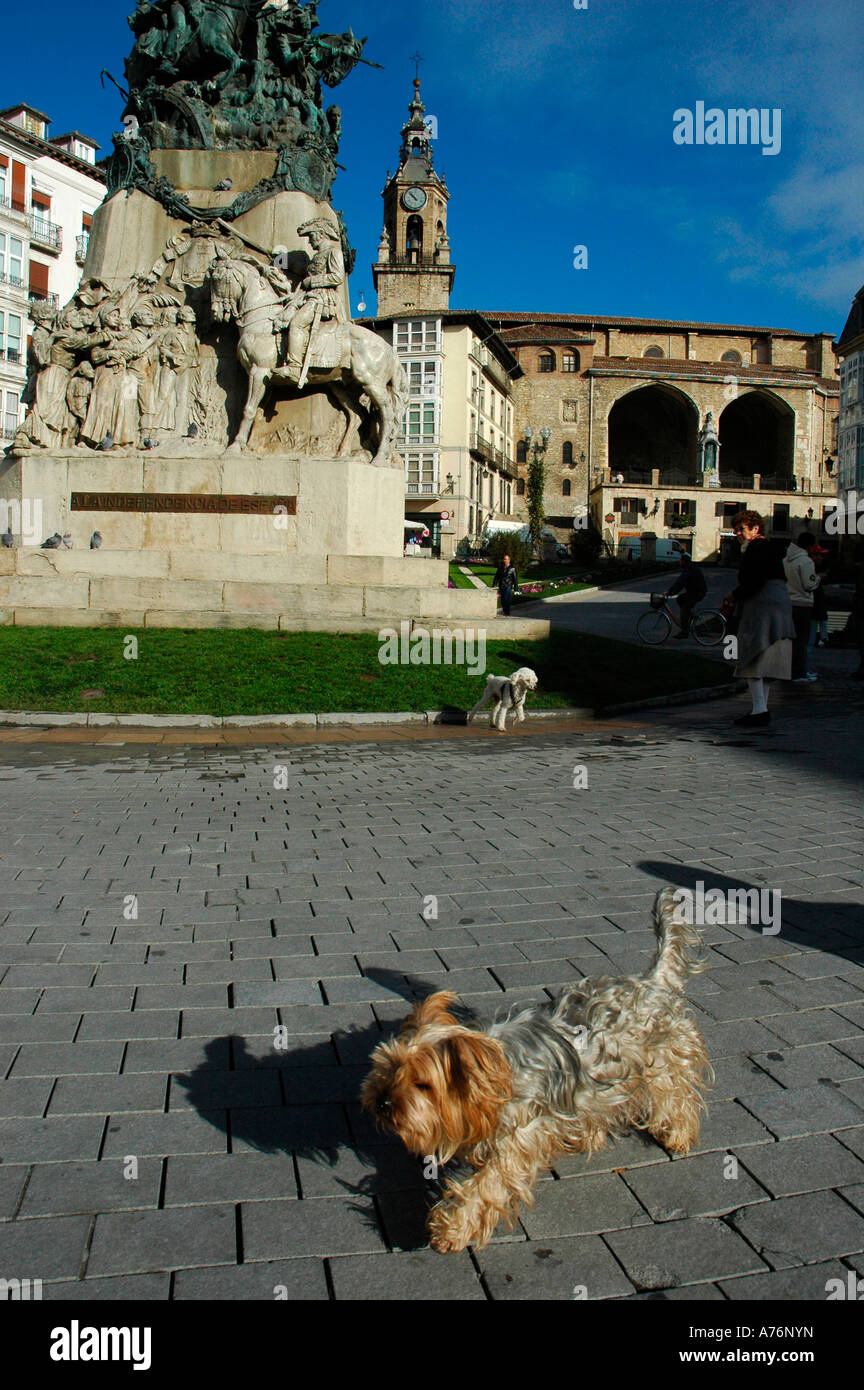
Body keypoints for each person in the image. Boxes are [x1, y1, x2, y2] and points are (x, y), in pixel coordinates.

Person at [723, 510, 794, 728]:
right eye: (736, 530)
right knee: (767, 660)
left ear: (755, 529)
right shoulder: (770, 548)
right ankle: (760, 708)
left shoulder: (755, 548)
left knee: (752, 655)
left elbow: (753, 580)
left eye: (741, 529)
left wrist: (733, 595)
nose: (738, 534)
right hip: (779, 605)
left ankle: (759, 710)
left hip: (762, 606)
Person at [783, 531, 820, 682]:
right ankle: (799, 673)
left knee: (790, 640)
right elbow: (809, 584)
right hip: (803, 603)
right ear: (810, 546)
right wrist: (818, 579)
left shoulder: (786, 559)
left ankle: (789, 671)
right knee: (802, 640)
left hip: (788, 602)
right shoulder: (806, 561)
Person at [665, 552, 707, 639]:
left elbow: (680, 582)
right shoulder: (689, 567)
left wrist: (670, 592)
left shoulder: (688, 569)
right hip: (696, 591)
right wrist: (672, 592)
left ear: (684, 561)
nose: (679, 562)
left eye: (680, 561)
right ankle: (689, 618)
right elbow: (681, 583)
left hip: (697, 592)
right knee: (680, 599)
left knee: (684, 609)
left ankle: (684, 631)